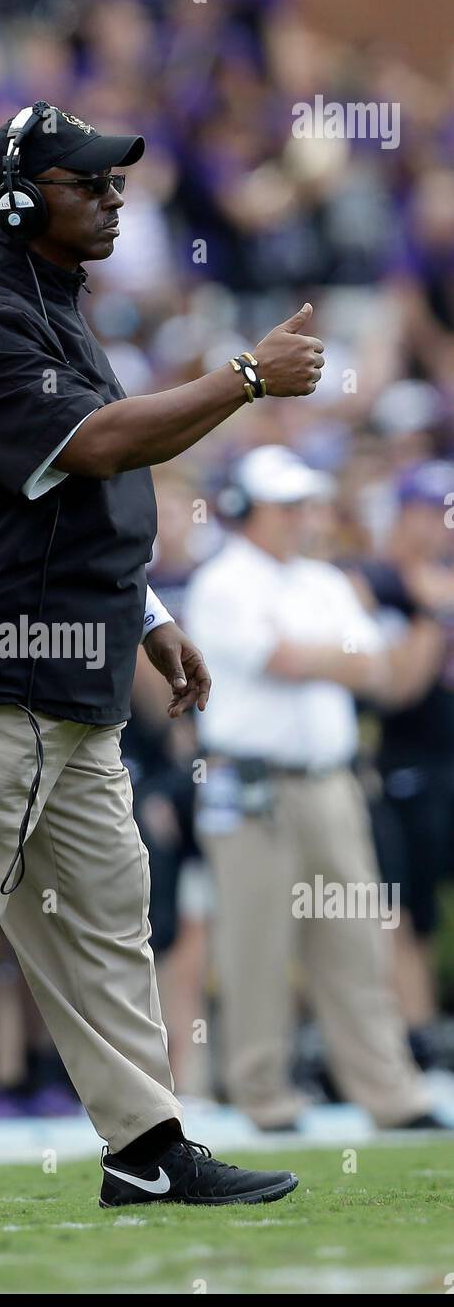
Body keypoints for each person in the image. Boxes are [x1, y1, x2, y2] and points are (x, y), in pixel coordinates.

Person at [0, 102, 324, 1215]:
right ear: (15, 197)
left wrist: (145, 616)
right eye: (83, 183)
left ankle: (145, 1146)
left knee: (105, 920)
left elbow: (69, 500)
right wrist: (243, 378)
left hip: (67, 684)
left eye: (113, 184)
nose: (111, 199)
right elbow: (93, 444)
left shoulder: (59, 315)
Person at [184, 444, 446, 1132]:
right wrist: (332, 657)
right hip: (249, 783)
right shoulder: (224, 582)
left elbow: (377, 670)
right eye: (288, 505)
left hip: (329, 781)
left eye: (307, 503)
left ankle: (386, 1091)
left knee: (355, 936)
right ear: (247, 512)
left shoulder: (322, 581)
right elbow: (284, 657)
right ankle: (262, 1093)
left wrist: (318, 657)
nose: (304, 516)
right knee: (256, 940)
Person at [351, 461, 454, 1069]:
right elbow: (400, 688)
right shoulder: (379, 581)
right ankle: (418, 1041)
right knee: (406, 908)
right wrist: (433, 615)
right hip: (406, 766)